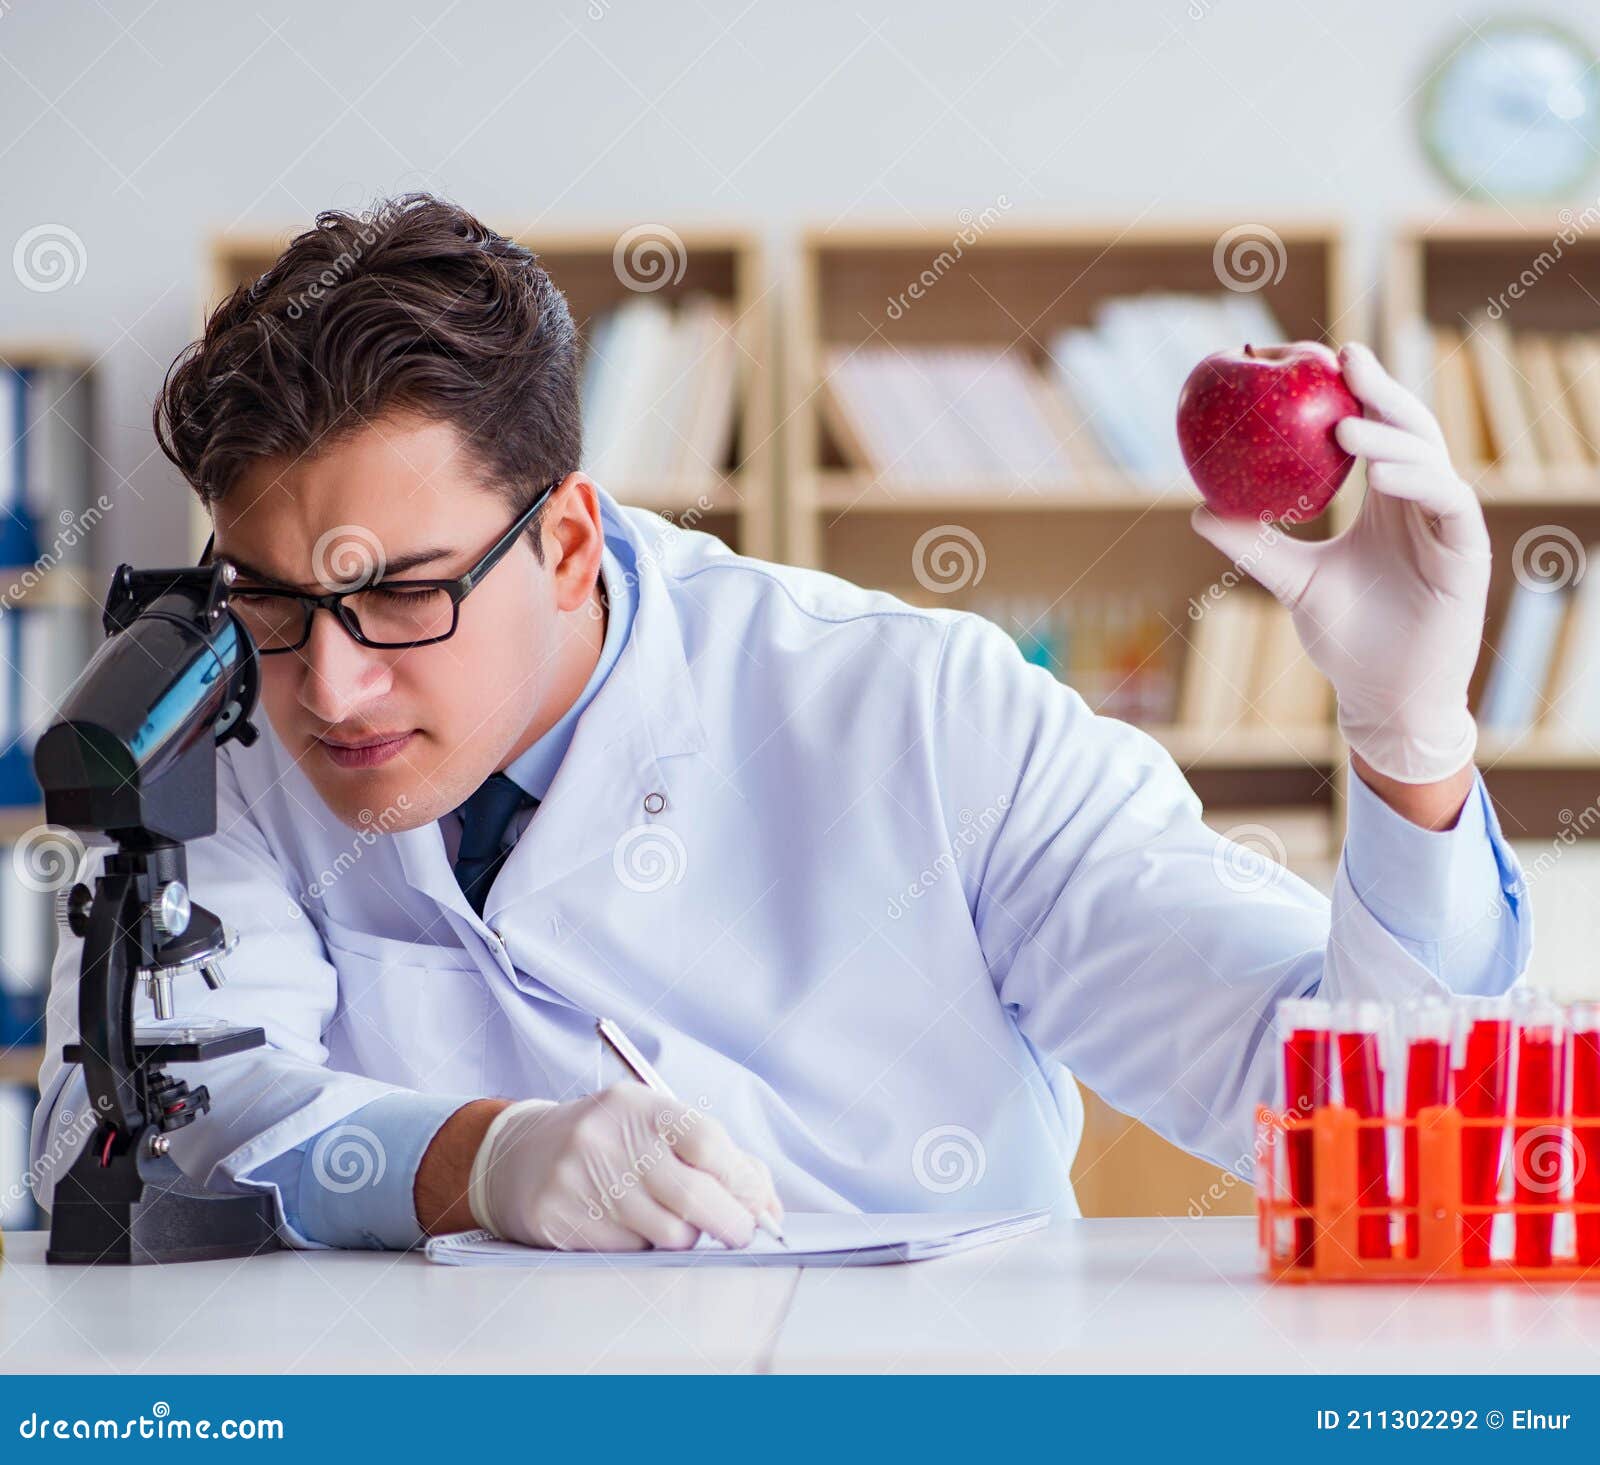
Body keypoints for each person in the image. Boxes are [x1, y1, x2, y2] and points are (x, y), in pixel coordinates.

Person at [30, 195, 1526, 1252]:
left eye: (405, 597)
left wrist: (1408, 736)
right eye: (274, 602)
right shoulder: (222, 717)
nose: (330, 688)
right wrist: (466, 1159)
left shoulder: (923, 709)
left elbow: (1369, 1121)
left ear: (564, 543)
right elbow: (130, 1131)